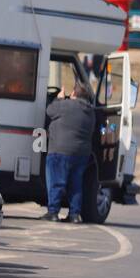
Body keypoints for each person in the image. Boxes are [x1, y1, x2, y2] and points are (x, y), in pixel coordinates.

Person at [43, 83, 96, 222]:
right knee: (76, 184)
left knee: (57, 182)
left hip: (61, 151)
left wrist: (59, 98)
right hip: (82, 154)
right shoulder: (90, 111)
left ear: (73, 94)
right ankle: (74, 215)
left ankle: (53, 212)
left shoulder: (65, 105)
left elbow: (49, 110)